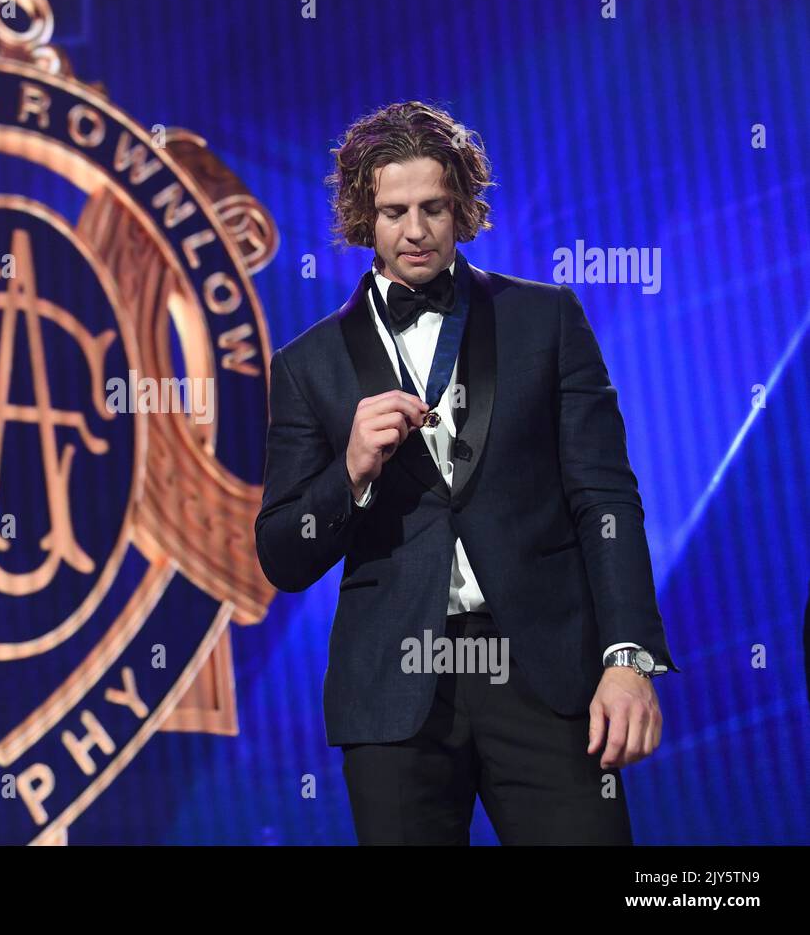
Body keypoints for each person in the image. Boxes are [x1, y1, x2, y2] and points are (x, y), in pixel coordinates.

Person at [254, 101, 679, 844]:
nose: (414, 231)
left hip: (544, 678)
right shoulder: (306, 365)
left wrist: (629, 659)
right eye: (393, 212)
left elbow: (605, 497)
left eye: (433, 208)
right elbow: (283, 554)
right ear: (363, 215)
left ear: (463, 207)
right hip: (393, 695)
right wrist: (350, 471)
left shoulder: (544, 319)